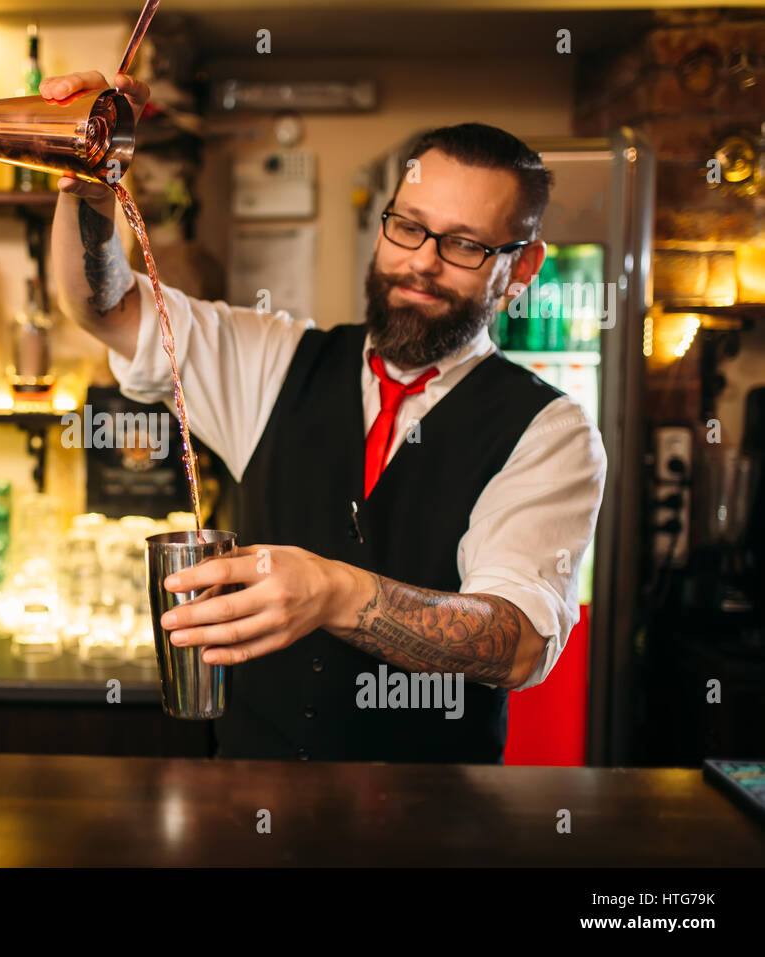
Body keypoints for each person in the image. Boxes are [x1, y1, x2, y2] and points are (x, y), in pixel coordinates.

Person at [43, 71, 606, 764]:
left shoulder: (551, 430)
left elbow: (517, 642)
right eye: (408, 227)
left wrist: (336, 592)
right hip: (251, 803)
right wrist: (94, 184)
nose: (420, 264)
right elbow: (105, 306)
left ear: (521, 269)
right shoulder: (275, 359)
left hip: (433, 824)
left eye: (464, 245)